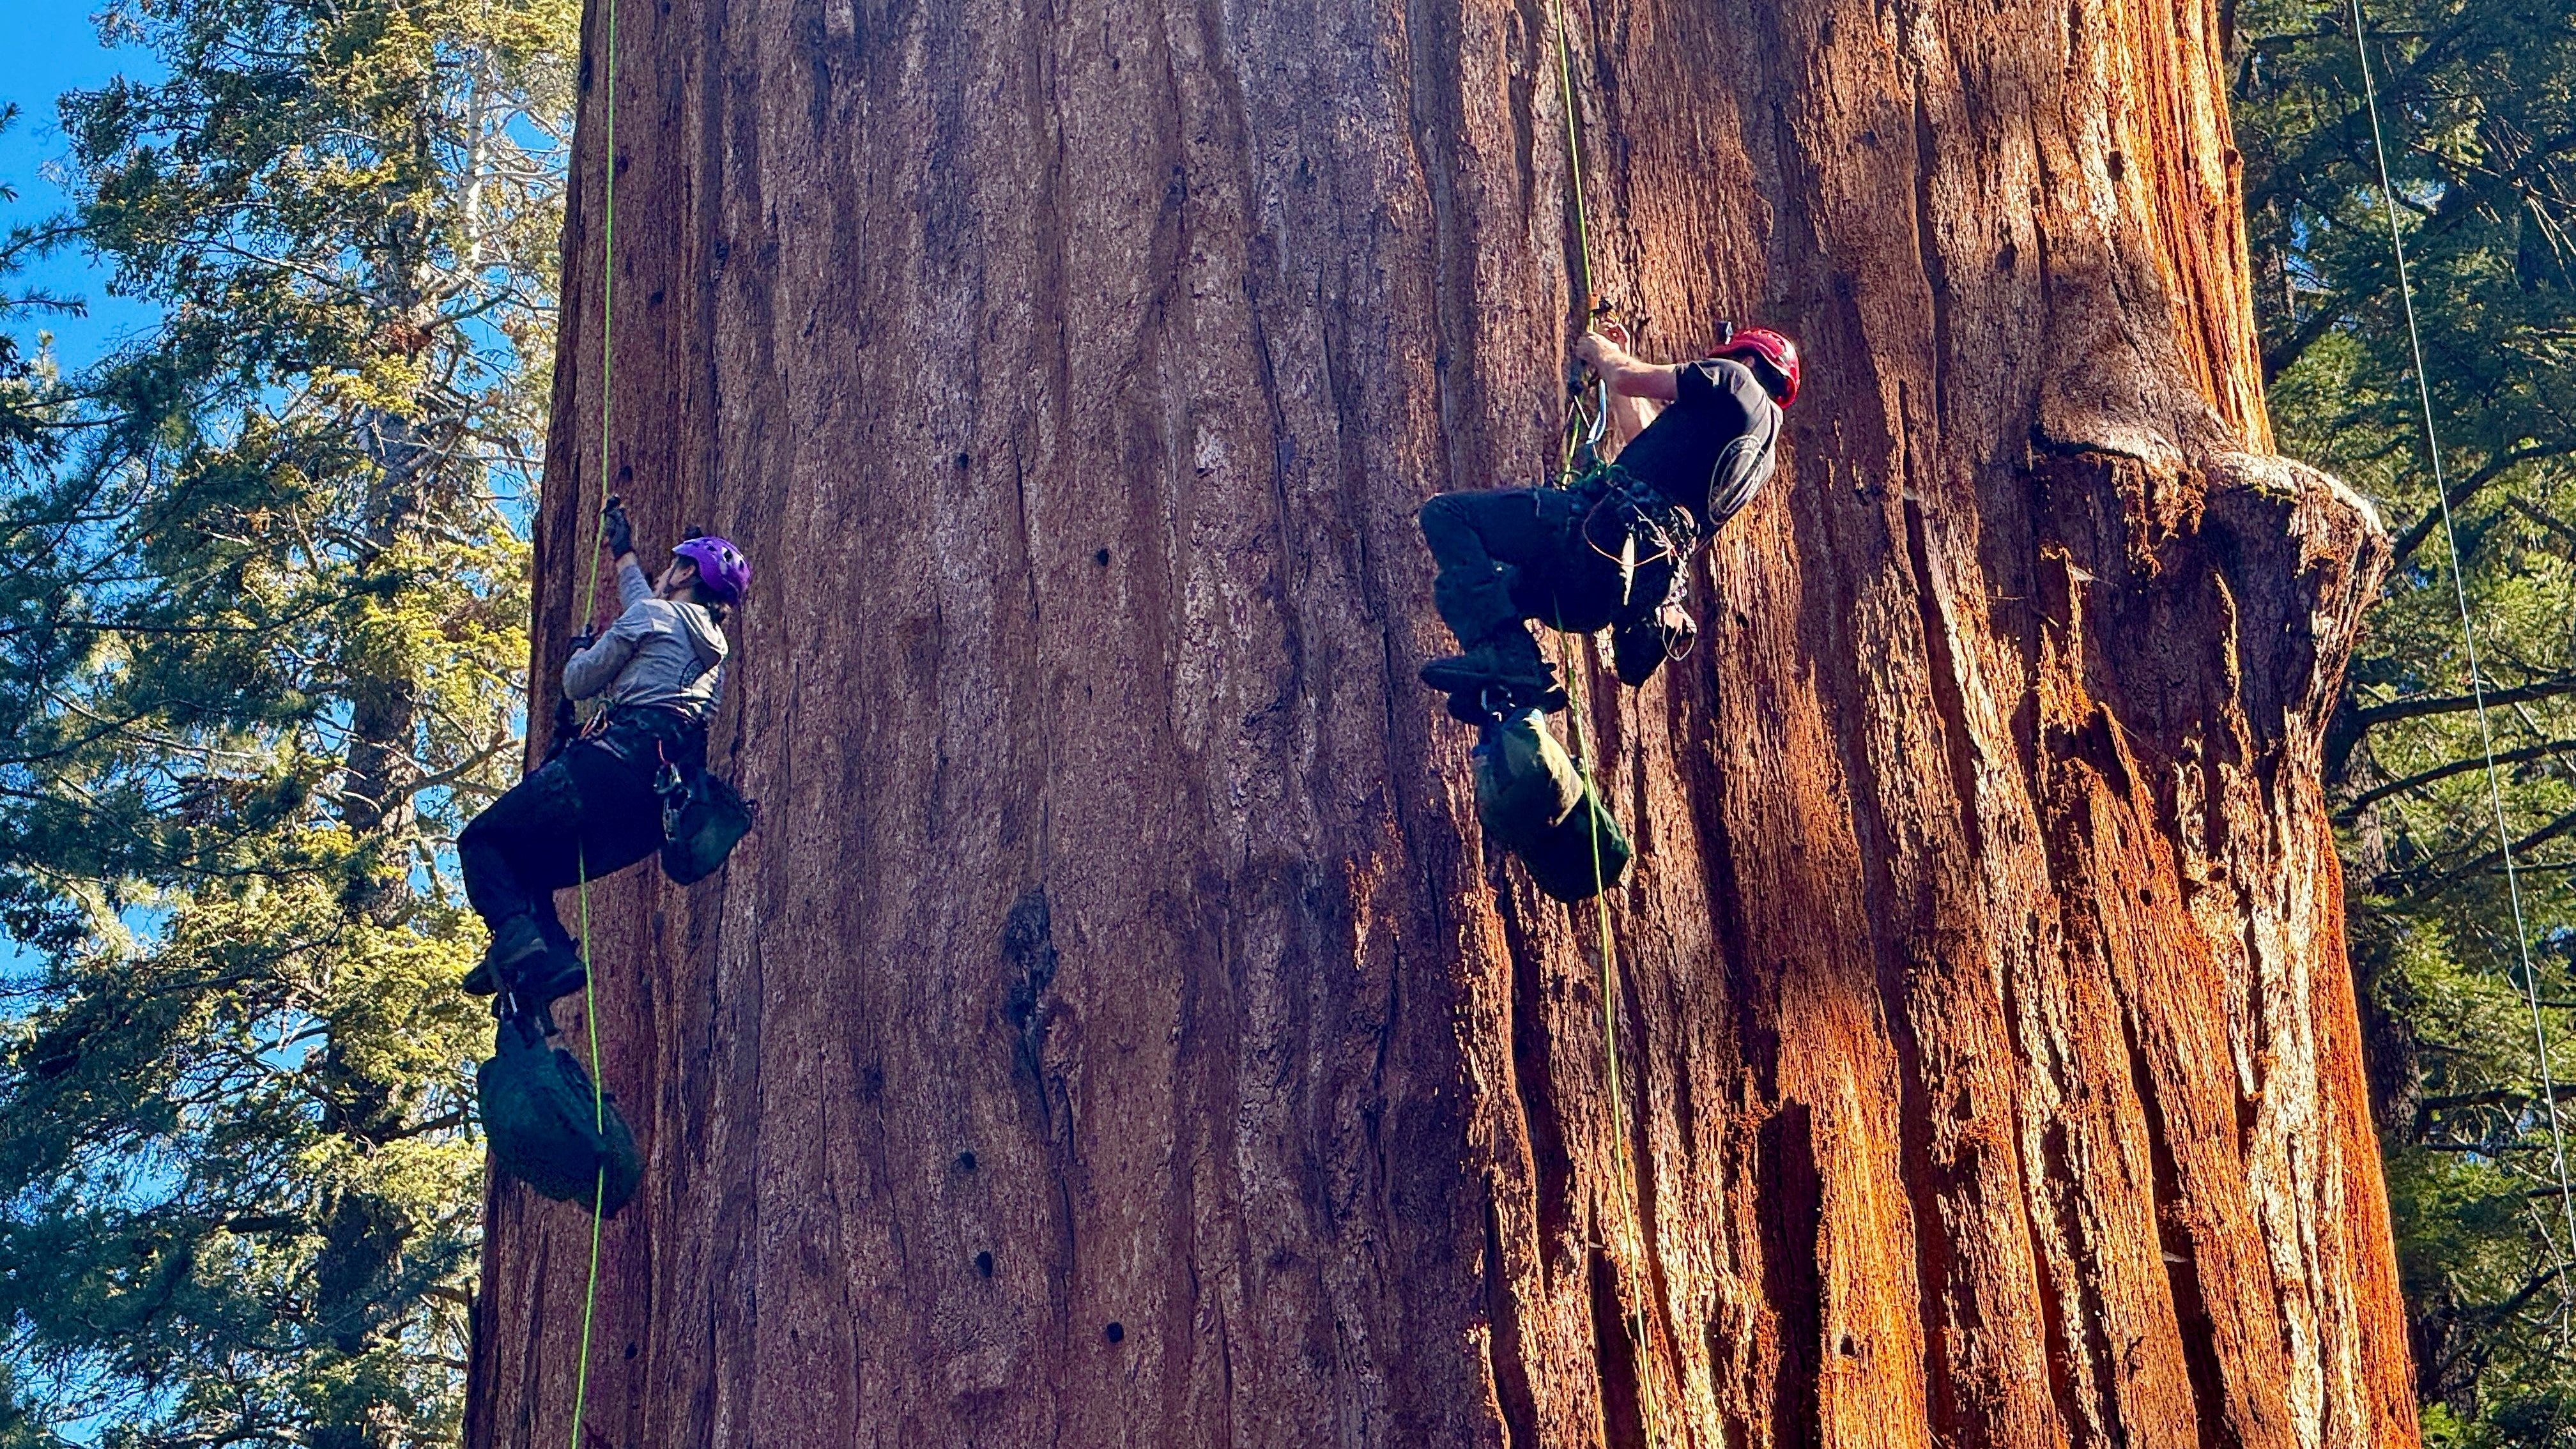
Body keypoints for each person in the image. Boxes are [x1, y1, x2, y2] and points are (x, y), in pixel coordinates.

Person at [1415, 323, 1797, 718]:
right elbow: (1647, 440)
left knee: (1447, 515)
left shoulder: (1735, 380)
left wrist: (1602, 352)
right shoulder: (1760, 458)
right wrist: (1620, 360)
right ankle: (1512, 685)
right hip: (1609, 591)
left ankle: (1511, 660)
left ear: (1748, 359)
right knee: (1484, 593)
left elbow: (1627, 377)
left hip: (1585, 537)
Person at [457, 498, 751, 1004]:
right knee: (524, 869)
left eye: (672, 567)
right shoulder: (711, 655)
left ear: (684, 573)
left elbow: (577, 683)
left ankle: (516, 936)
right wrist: (624, 554)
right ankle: (549, 957)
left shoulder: (656, 616)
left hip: (609, 767)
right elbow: (649, 609)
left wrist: (577, 652)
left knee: (481, 841)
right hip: (648, 816)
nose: (663, 575)